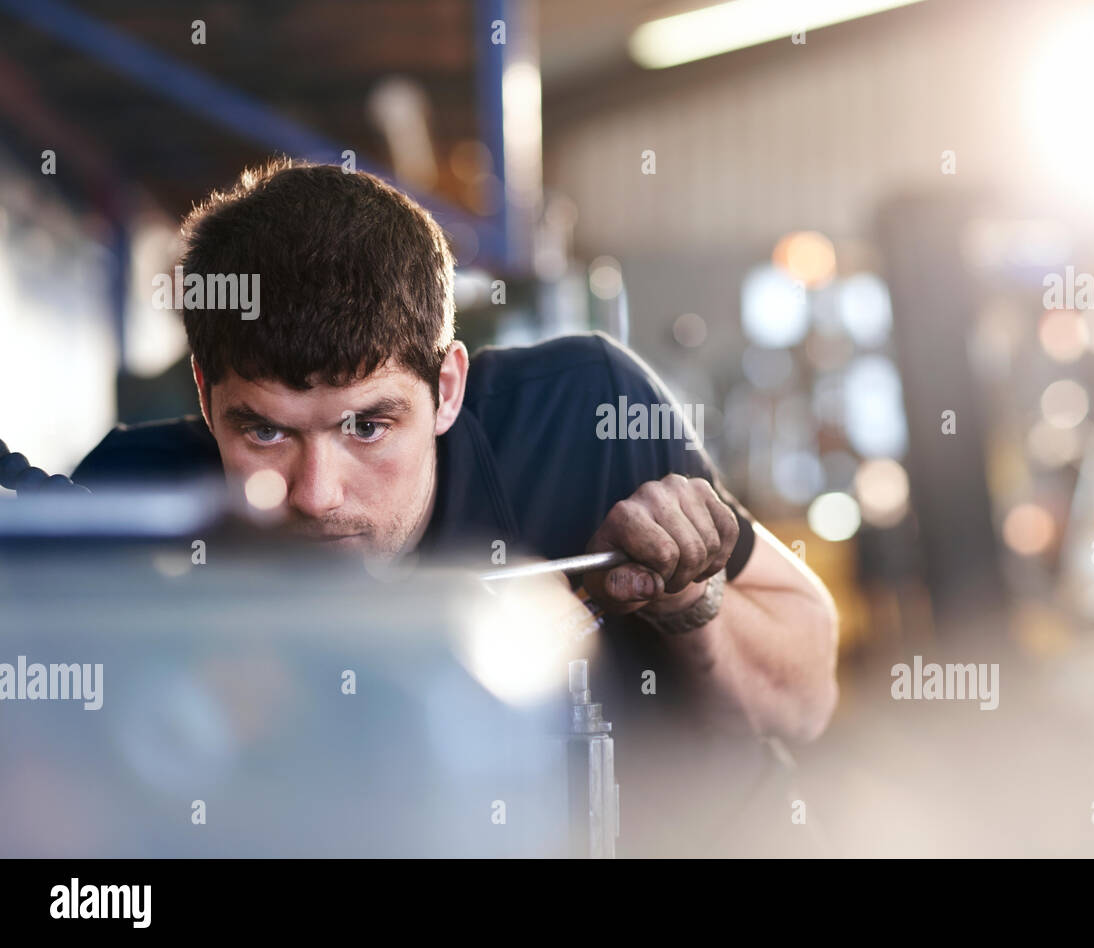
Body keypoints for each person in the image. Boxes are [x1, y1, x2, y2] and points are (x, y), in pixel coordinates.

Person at [75, 160, 839, 855]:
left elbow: (806, 701)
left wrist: (689, 603)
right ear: (206, 397)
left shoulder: (584, 416)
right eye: (265, 430)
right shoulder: (133, 508)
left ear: (446, 389)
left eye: (367, 427)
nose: (316, 493)